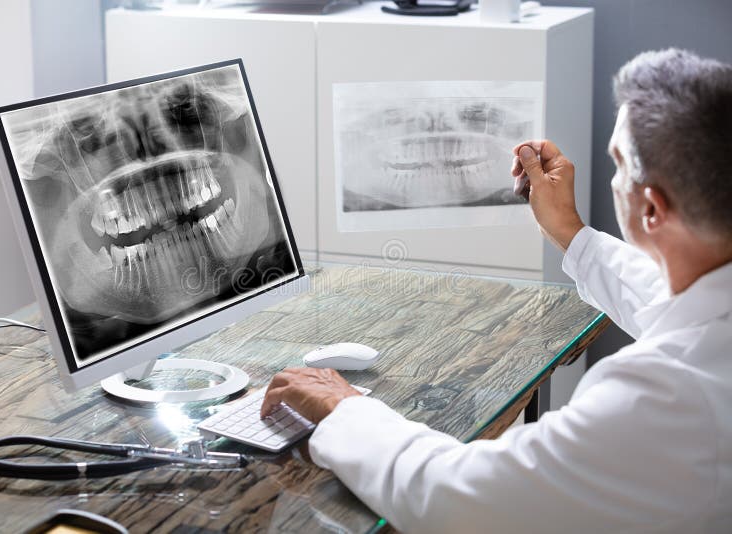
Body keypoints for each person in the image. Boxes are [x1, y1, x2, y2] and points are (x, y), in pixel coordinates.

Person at [261, 49, 732, 533]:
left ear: (652, 211)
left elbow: (456, 498)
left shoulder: (665, 398)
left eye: (618, 165)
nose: (613, 180)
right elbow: (676, 307)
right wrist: (571, 232)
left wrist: (345, 411)